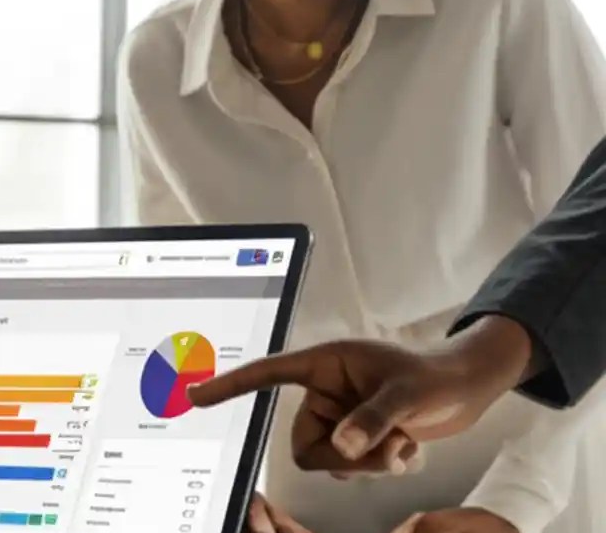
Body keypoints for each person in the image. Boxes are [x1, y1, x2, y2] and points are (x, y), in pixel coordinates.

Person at [122, 0, 606, 533]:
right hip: (313, 531)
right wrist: (211, 490)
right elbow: (181, 334)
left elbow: (593, 268)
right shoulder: (156, 60)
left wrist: (512, 505)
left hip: (533, 508)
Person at [188, 134, 606, 500]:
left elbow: (582, 218)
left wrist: (519, 498)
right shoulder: (159, 79)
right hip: (310, 503)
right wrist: (213, 500)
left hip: (512, 485)